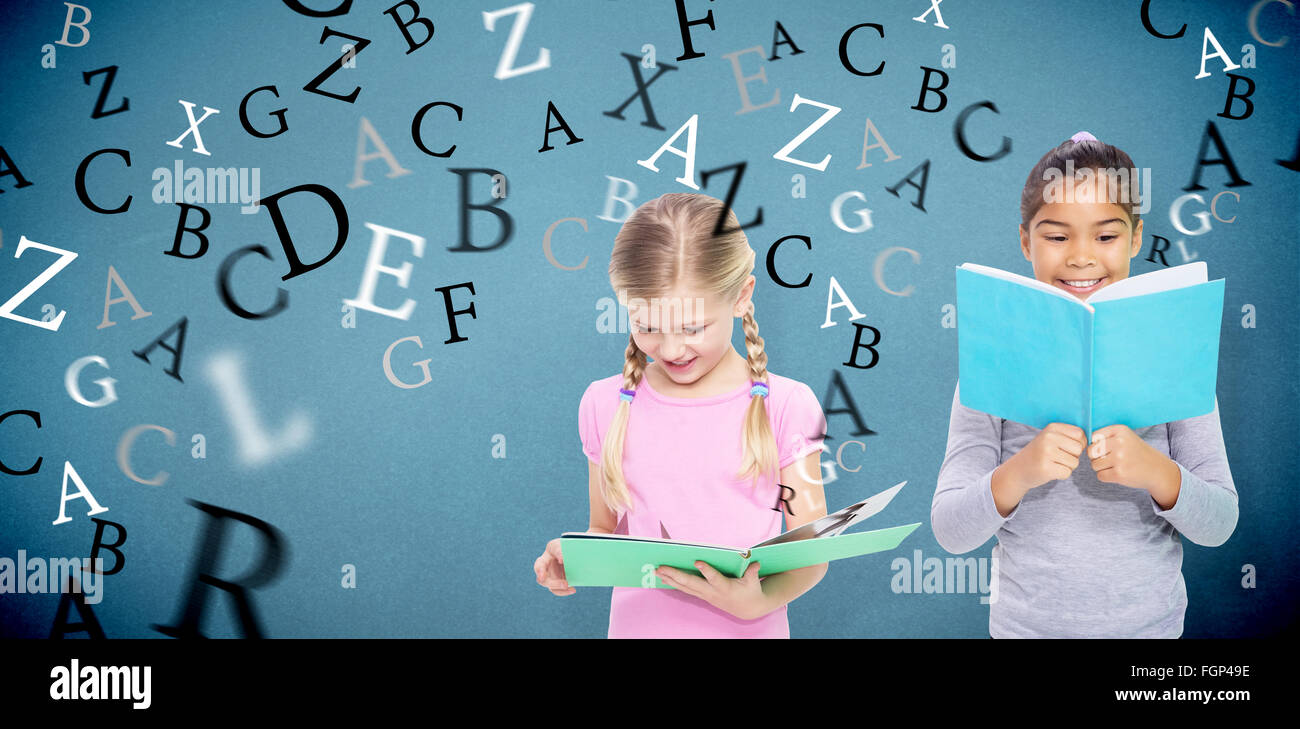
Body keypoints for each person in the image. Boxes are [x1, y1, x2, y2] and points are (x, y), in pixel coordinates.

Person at [931, 132, 1238, 638]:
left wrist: (1155, 471)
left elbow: (1220, 522)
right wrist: (1021, 471)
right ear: (1026, 241)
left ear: (1136, 238)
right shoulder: (990, 367)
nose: (1080, 257)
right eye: (1056, 236)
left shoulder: (1175, 357)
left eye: (1105, 235)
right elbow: (950, 531)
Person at [534, 192, 830, 638]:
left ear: (741, 296)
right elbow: (604, 528)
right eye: (647, 327)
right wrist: (574, 558)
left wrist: (761, 601)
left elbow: (811, 549)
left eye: (692, 328)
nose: (670, 349)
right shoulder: (604, 403)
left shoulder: (786, 406)